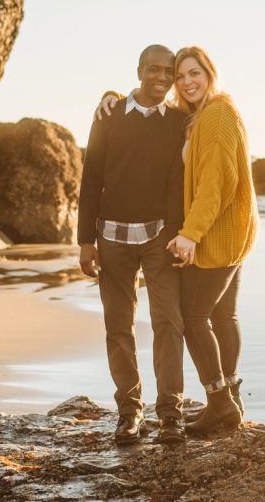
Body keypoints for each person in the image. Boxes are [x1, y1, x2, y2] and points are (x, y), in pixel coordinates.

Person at [97, 46, 258, 437]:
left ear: (210, 74)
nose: (186, 82)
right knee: (223, 315)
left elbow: (215, 185)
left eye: (193, 74)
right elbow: (146, 112)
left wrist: (190, 235)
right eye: (180, 75)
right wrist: (114, 97)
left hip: (217, 234)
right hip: (232, 232)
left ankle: (220, 402)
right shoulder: (200, 114)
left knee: (192, 317)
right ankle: (231, 398)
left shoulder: (216, 115)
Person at [77, 44, 189, 445]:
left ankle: (171, 413)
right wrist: (84, 241)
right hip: (111, 239)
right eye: (154, 69)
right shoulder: (109, 117)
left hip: (160, 238)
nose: (161, 77)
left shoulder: (178, 121)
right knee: (118, 327)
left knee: (169, 323)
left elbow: (178, 181)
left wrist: (178, 232)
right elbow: (91, 180)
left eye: (169, 72)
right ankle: (130, 412)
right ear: (139, 70)